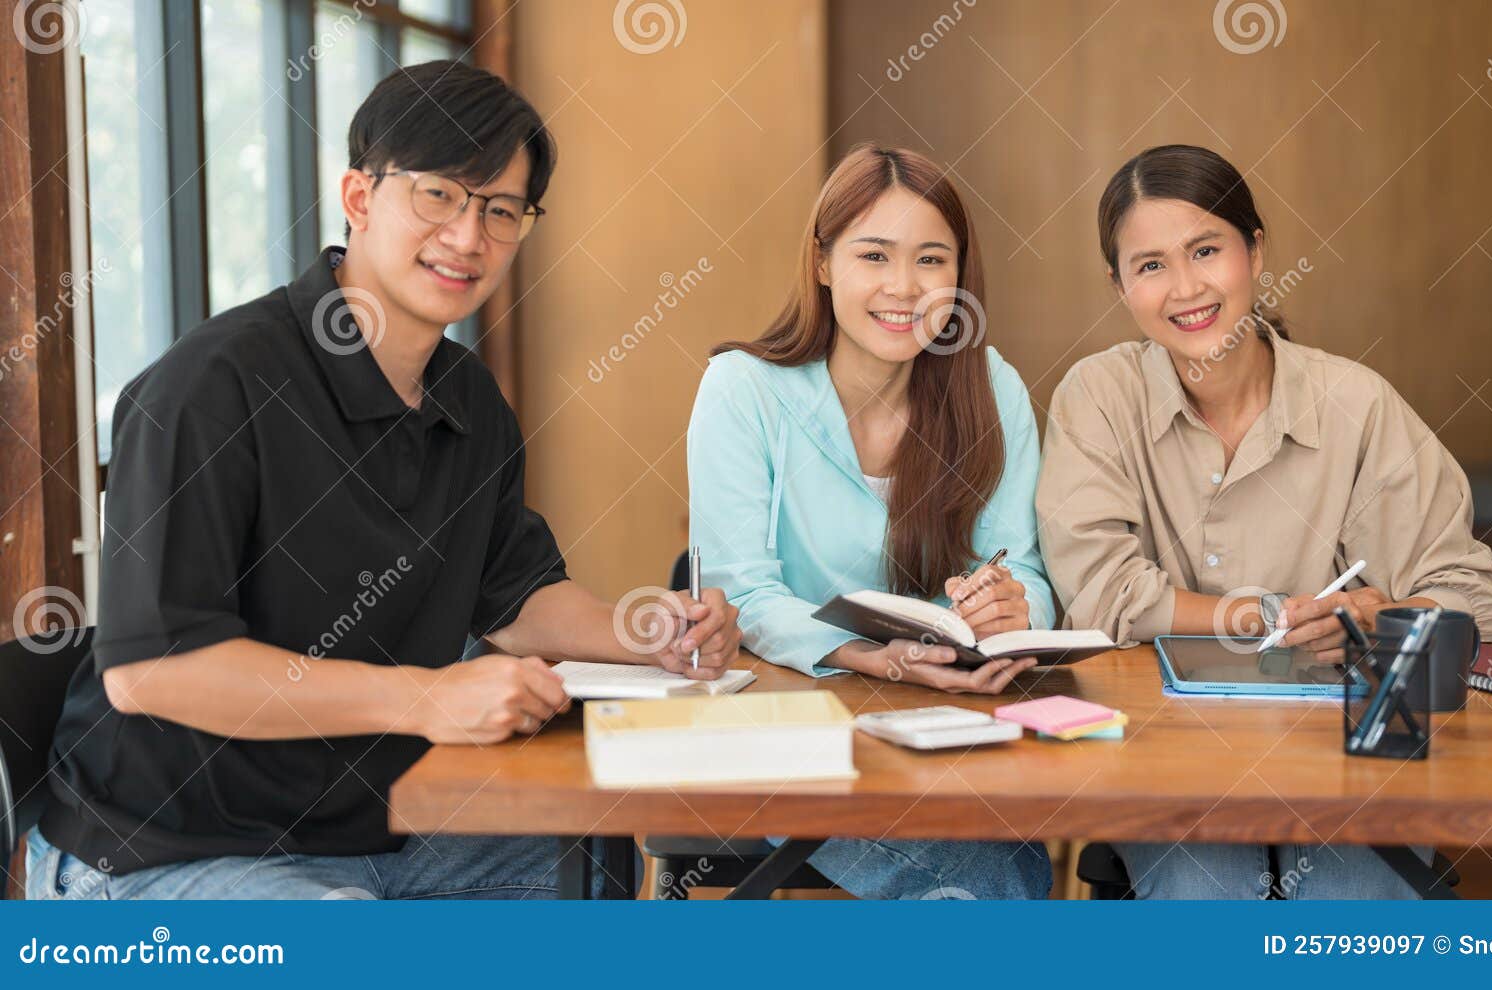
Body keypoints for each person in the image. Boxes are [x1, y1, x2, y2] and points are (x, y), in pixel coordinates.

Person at [28, 61, 741, 901]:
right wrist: (426, 700)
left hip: (384, 828)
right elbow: (153, 672)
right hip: (166, 851)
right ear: (360, 198)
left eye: (501, 210)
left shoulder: (467, 397)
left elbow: (512, 598)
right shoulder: (211, 387)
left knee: (602, 876)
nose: (469, 237)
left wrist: (651, 629)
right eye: (439, 194)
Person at [1035, 144, 1492, 900]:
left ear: (1256, 252)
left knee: (1350, 900)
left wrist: (1385, 615)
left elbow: (1476, 597)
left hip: (1346, 754)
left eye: (1206, 250)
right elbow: (1103, 597)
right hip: (1164, 758)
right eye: (1151, 265)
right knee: (1207, 898)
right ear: (1119, 284)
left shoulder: (1355, 405)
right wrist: (1267, 614)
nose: (1186, 288)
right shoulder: (1098, 397)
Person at [687, 143, 1054, 899]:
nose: (904, 288)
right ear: (822, 264)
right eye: (874, 255)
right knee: (995, 888)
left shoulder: (993, 388)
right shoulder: (742, 391)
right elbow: (743, 597)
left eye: (931, 260)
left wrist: (1010, 612)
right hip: (791, 731)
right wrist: (873, 656)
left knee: (1015, 867)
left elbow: (1029, 574)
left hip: (953, 728)